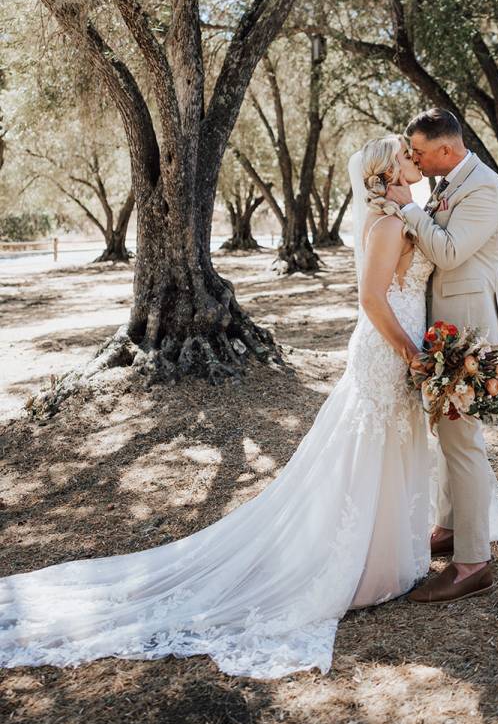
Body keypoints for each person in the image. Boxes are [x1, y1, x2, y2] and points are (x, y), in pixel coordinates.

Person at [0, 136, 433, 681]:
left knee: (382, 447)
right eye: (405, 156)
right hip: (390, 348)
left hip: (396, 347)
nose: (414, 160)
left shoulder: (399, 215)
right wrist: (412, 352)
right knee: (368, 447)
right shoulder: (390, 224)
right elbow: (372, 300)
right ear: (386, 171)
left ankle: (384, 555)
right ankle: (361, 566)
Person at [387, 107, 498, 605]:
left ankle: (473, 562)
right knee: (448, 436)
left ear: (445, 149)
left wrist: (410, 208)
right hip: (443, 328)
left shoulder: (484, 188)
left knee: (463, 442)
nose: (413, 158)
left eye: (418, 151)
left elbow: (451, 252)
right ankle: (450, 528)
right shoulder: (448, 184)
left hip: (469, 333)